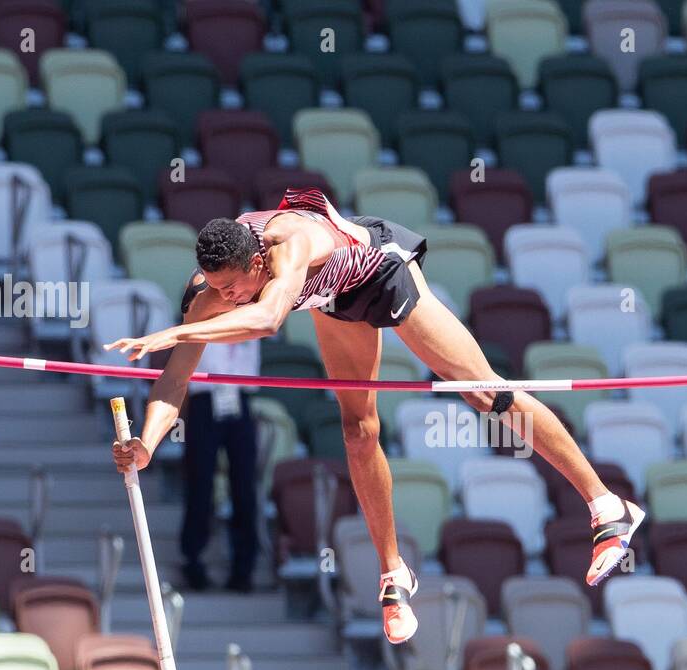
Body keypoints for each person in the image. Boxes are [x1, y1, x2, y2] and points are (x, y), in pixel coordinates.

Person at [107, 187, 645, 644]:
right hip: (334, 299)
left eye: (232, 288)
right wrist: (149, 445)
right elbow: (175, 379)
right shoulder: (209, 295)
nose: (224, 298)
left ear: (256, 262)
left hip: (379, 270)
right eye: (216, 289)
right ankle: (394, 576)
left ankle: (607, 506)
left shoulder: (287, 242)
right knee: (357, 430)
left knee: (485, 394)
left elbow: (269, 318)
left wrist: (175, 332)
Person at [179, 339, 259, 593]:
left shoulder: (253, 308)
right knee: (200, 482)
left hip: (239, 396)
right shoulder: (201, 305)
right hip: (204, 398)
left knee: (244, 485)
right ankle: (193, 561)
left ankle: (244, 568)